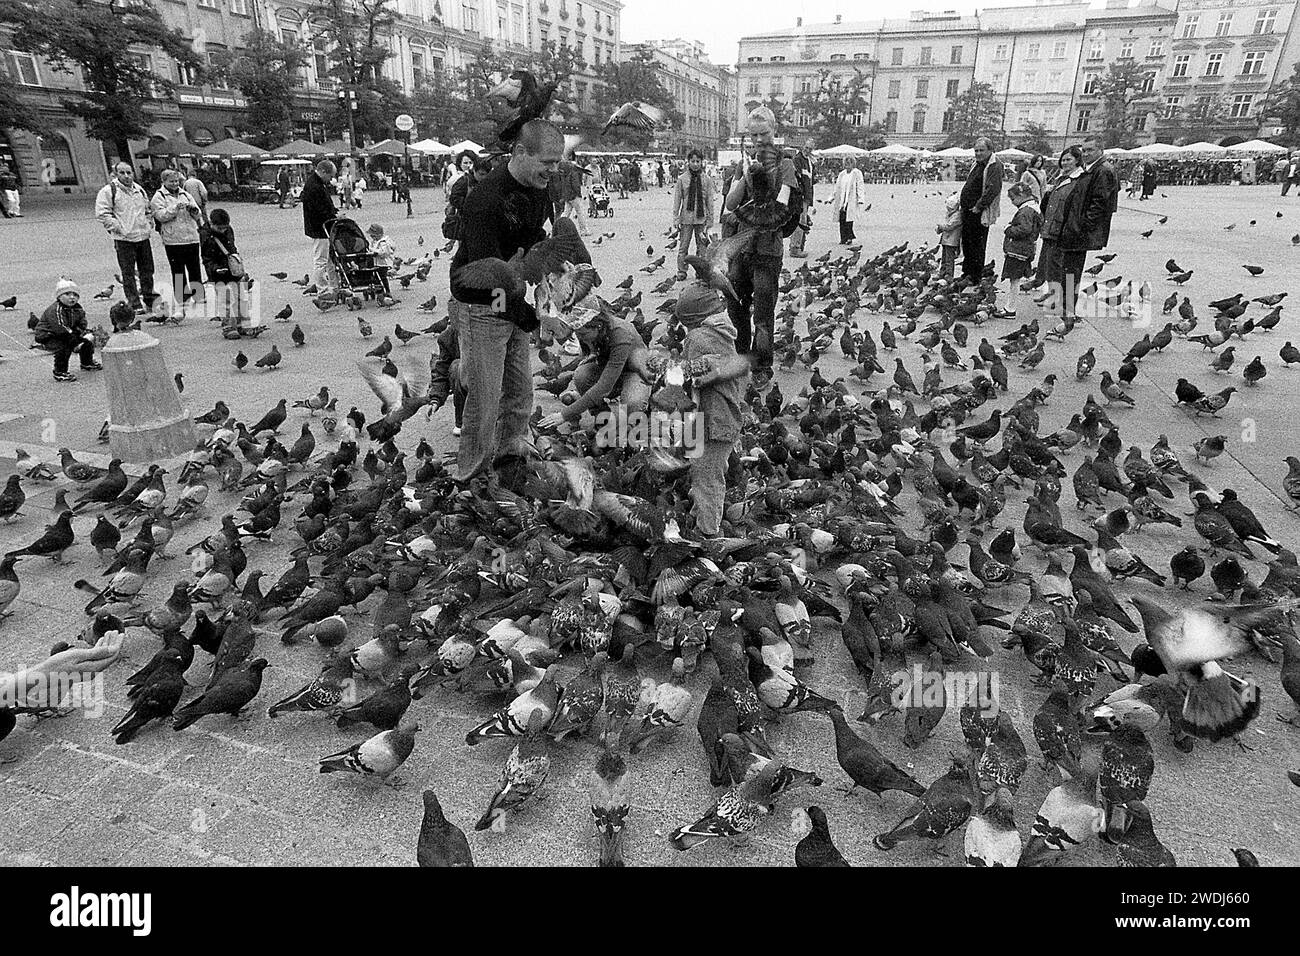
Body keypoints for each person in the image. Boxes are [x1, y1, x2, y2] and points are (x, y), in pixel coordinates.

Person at [449, 119, 563, 487]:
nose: (554, 169)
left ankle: (510, 462)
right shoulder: (484, 203)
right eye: (547, 161)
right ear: (519, 153)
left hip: (510, 296)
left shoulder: (538, 188)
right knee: (486, 397)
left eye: (557, 161)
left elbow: (533, 236)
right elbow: (493, 285)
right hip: (483, 304)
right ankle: (471, 479)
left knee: (520, 393)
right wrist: (533, 320)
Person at [723, 106, 796, 377]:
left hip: (767, 250)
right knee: (735, 305)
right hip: (742, 247)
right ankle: (742, 355)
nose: (758, 141)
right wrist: (744, 175)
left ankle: (762, 365)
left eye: (763, 134)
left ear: (774, 132)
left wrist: (764, 180)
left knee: (763, 315)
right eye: (752, 136)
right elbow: (730, 204)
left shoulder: (786, 164)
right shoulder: (742, 162)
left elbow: (783, 208)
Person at [677, 281, 750, 538]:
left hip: (712, 422)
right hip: (726, 418)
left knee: (706, 477)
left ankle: (709, 534)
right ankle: (703, 511)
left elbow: (691, 376)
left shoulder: (698, 338)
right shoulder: (725, 335)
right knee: (711, 468)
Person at [538, 310, 650, 431]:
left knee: (632, 402)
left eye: (583, 334)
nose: (580, 338)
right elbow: (587, 353)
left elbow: (604, 386)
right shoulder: (589, 331)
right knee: (581, 374)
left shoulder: (620, 334)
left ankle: (644, 410)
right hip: (611, 367)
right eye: (578, 334)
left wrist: (564, 415)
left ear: (598, 327)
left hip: (635, 371)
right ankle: (603, 417)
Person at [1058, 136, 1119, 320]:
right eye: (1084, 150)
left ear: (1100, 150)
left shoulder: (1103, 170)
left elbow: (1100, 204)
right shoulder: (1093, 169)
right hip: (1075, 228)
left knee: (1071, 272)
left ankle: (1068, 311)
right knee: (1069, 271)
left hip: (1079, 231)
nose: (1086, 154)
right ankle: (1065, 308)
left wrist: (1083, 227)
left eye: (1090, 150)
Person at [95, 163, 158, 315]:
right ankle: (134, 302)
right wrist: (118, 227)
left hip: (142, 236)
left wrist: (148, 223)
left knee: (147, 270)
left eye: (129, 172)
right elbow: (102, 213)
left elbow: (147, 209)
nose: (127, 176)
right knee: (128, 273)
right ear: (116, 174)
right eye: (122, 172)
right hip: (124, 239)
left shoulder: (139, 189)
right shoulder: (109, 191)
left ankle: (149, 299)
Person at [1028, 145, 1082, 299]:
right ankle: (1050, 293)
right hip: (1050, 226)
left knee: (1058, 264)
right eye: (1063, 160)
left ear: (1077, 160)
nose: (1064, 163)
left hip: (1062, 228)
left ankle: (1058, 297)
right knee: (1049, 263)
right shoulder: (1061, 178)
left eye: (1068, 160)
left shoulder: (1079, 180)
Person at [151, 169, 206, 318]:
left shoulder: (186, 194)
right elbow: (160, 216)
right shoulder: (159, 197)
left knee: (194, 268)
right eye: (171, 181)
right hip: (173, 240)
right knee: (178, 270)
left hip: (191, 237)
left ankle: (198, 295)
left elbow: (198, 213)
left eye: (176, 181)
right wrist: (175, 208)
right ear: (164, 182)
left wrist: (193, 210)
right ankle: (182, 297)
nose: (175, 184)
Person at [201, 208, 252, 339]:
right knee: (226, 300)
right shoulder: (206, 235)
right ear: (212, 224)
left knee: (241, 298)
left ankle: (242, 325)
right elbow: (207, 258)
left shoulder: (229, 230)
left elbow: (232, 248)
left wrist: (238, 264)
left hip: (233, 269)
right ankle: (228, 327)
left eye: (225, 227)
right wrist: (215, 269)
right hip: (218, 272)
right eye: (220, 228)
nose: (223, 230)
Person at [35, 279, 100, 383]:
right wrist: (73, 339)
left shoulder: (77, 308)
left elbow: (82, 322)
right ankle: (60, 372)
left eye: (75, 295)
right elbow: (60, 327)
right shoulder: (56, 309)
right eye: (67, 294)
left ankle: (87, 362)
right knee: (63, 348)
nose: (72, 297)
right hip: (48, 335)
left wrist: (78, 332)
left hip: (67, 333)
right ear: (59, 297)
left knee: (86, 343)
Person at [994, 183, 1042, 320]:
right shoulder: (1034, 207)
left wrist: (1008, 229)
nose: (1012, 202)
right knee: (1015, 279)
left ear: (1021, 196)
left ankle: (1010, 308)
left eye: (1013, 199)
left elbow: (1024, 229)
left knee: (1014, 280)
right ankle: (1010, 307)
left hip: (1018, 250)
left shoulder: (1026, 210)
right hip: (1025, 250)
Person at [959, 136, 1003, 286]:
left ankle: (975, 275)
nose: (978, 153)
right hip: (968, 210)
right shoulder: (978, 164)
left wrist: (979, 206)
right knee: (967, 242)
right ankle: (967, 272)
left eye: (981, 150)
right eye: (976, 150)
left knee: (977, 244)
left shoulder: (994, 166)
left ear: (990, 150)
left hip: (978, 212)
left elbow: (993, 189)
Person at [672, 149, 715, 280]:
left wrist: (710, 219)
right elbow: (677, 200)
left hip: (701, 219)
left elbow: (709, 200)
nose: (695, 164)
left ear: (702, 162)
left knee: (702, 247)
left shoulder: (707, 179)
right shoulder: (682, 179)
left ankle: (700, 271)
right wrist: (676, 218)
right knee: (683, 246)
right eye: (693, 161)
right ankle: (682, 270)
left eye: (698, 161)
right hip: (686, 218)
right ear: (688, 162)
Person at [301, 159, 338, 300]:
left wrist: (333, 211)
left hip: (321, 227)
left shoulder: (316, 183)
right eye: (330, 176)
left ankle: (334, 287)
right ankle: (322, 291)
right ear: (323, 171)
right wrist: (333, 215)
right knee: (321, 261)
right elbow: (319, 209)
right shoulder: (314, 186)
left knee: (329, 261)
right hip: (320, 228)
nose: (331, 179)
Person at [427, 307, 466, 436]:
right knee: (456, 367)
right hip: (466, 380)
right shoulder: (447, 338)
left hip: (490, 377)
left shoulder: (488, 331)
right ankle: (461, 420)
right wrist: (436, 399)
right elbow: (442, 371)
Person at [830, 157, 866, 244]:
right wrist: (831, 198)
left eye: (849, 163)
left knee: (849, 219)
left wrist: (861, 198)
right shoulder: (842, 174)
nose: (847, 165)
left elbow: (860, 185)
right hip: (842, 198)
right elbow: (837, 187)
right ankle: (843, 238)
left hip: (851, 199)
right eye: (846, 163)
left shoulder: (857, 173)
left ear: (853, 164)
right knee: (842, 218)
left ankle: (849, 237)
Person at [787, 146, 814, 258]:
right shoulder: (798, 160)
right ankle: (795, 248)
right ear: (802, 147)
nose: (808, 150)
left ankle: (798, 245)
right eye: (807, 147)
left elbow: (810, 179)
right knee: (799, 221)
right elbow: (797, 178)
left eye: (810, 148)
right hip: (801, 196)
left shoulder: (809, 161)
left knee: (803, 221)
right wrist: (801, 193)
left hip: (806, 196)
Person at [366, 223, 398, 305]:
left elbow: (384, 252)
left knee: (382, 277)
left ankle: (385, 292)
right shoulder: (375, 241)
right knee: (378, 278)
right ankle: (382, 292)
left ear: (378, 234)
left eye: (373, 236)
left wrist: (374, 252)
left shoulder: (383, 242)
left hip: (383, 263)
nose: (372, 238)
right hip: (377, 263)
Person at [935, 193, 962, 279]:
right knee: (944, 258)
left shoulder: (957, 216)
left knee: (949, 259)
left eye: (949, 208)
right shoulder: (950, 214)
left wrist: (940, 226)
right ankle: (942, 273)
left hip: (952, 241)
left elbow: (949, 226)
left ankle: (949, 275)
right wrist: (940, 229)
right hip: (946, 240)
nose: (948, 209)